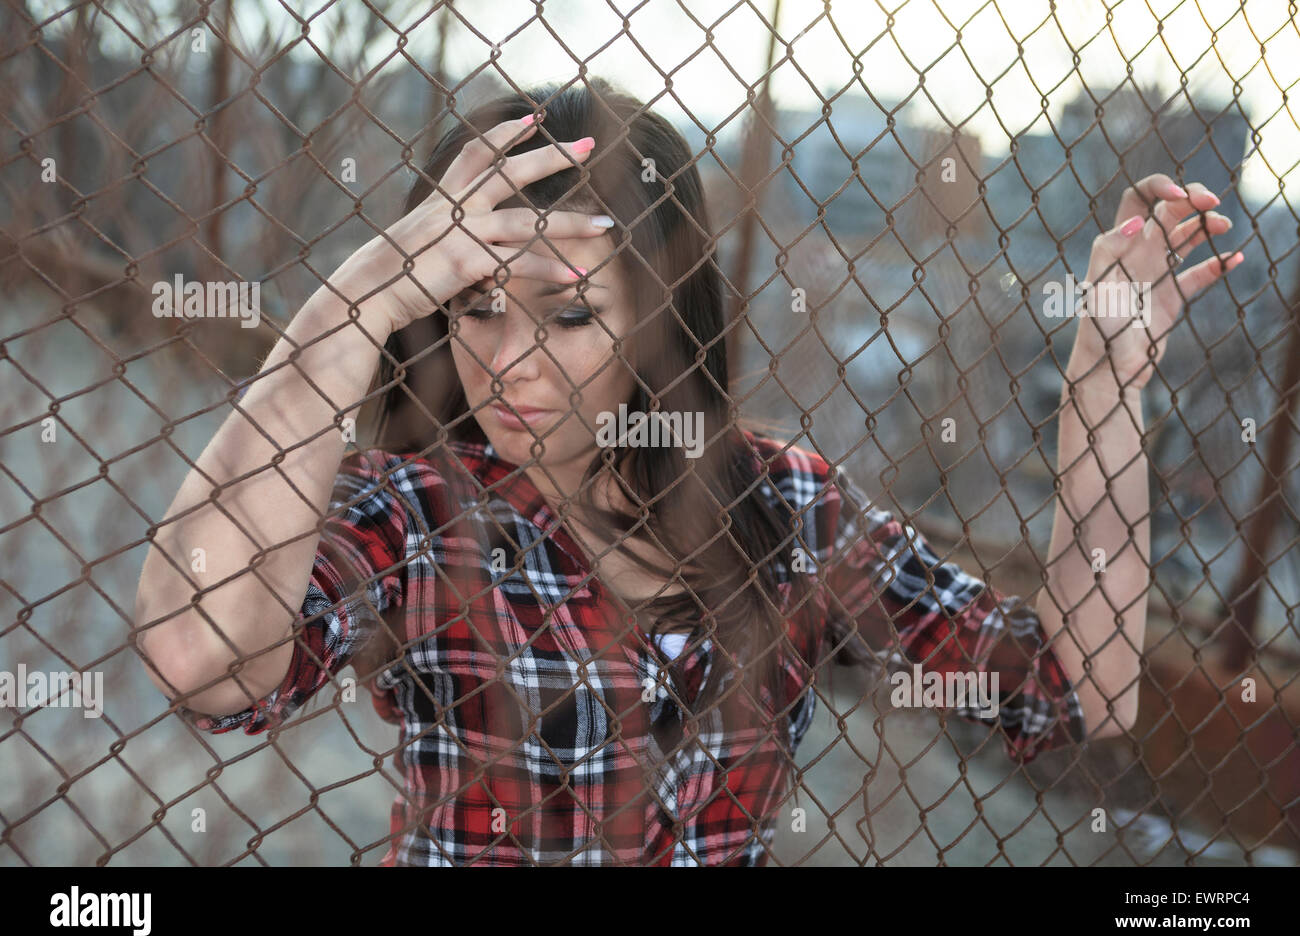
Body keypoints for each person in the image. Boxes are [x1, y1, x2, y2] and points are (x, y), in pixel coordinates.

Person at [131, 77, 1244, 866]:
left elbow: (1071, 685)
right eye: (470, 306)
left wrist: (1106, 372)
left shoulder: (785, 504)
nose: (505, 360)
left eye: (567, 312)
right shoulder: (420, 512)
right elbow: (198, 657)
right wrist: (359, 295)